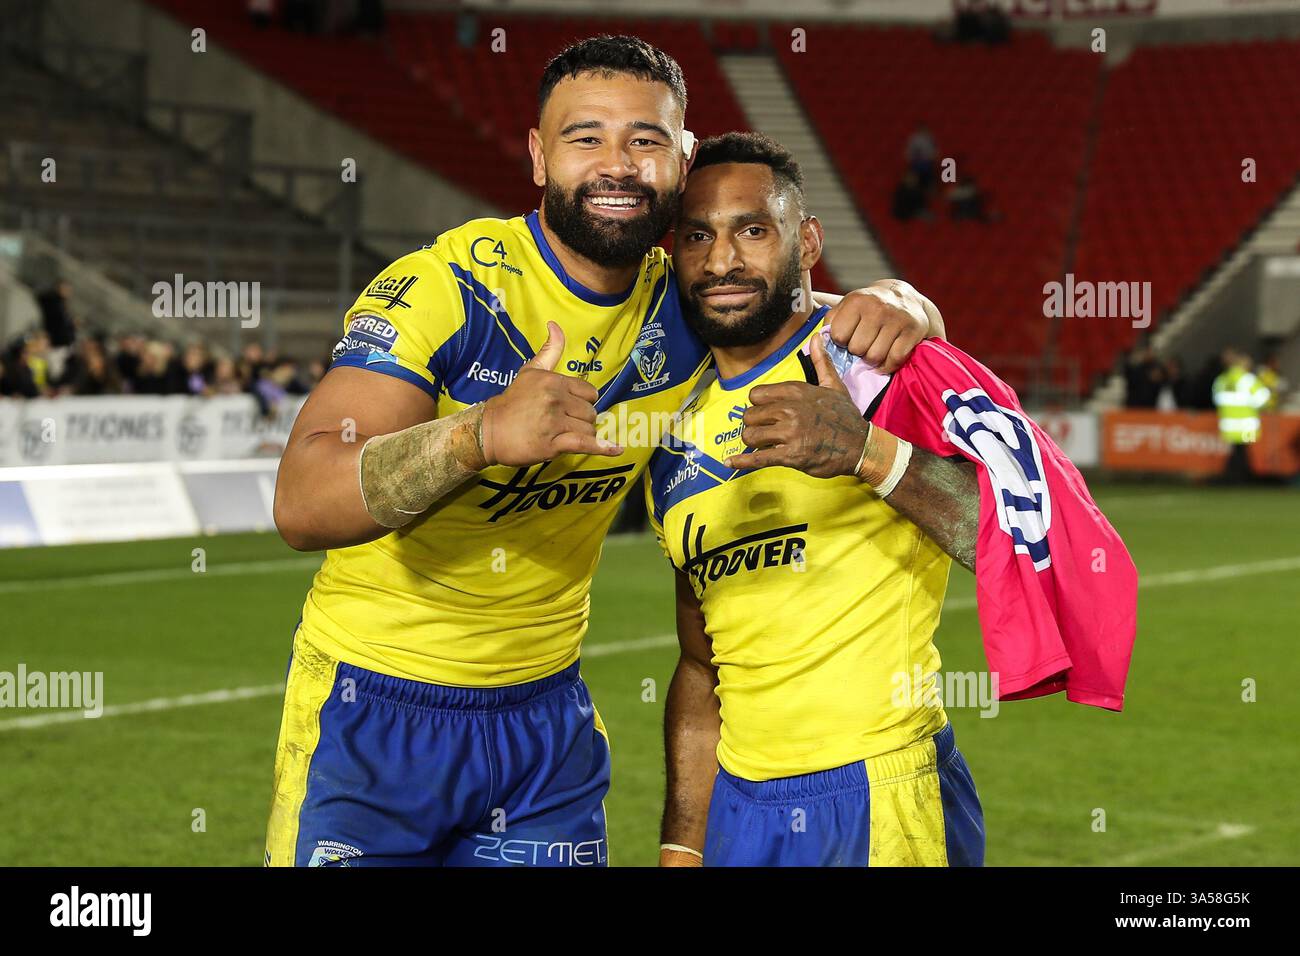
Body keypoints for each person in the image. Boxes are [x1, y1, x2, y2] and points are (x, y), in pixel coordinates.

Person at [265, 36, 948, 868]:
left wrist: (903, 300)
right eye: (585, 139)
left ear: (683, 155)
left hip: (546, 729)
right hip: (374, 707)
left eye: (646, 140)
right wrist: (475, 436)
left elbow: (808, 311)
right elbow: (301, 502)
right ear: (538, 155)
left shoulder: (688, 305)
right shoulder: (453, 289)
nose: (617, 166)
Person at [651, 133, 1135, 867]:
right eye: (698, 236)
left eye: (753, 230)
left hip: (880, 791)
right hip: (740, 812)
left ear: (806, 241)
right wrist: (684, 845)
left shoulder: (879, 365)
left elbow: (1014, 531)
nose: (722, 260)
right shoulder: (670, 436)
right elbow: (699, 663)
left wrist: (864, 453)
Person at [1212, 348, 1270, 484]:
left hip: (1228, 425)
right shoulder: (1247, 379)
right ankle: (1240, 477)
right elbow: (1263, 398)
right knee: (1242, 450)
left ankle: (1236, 476)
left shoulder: (1222, 379)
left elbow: (1216, 399)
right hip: (1246, 425)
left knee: (1238, 450)